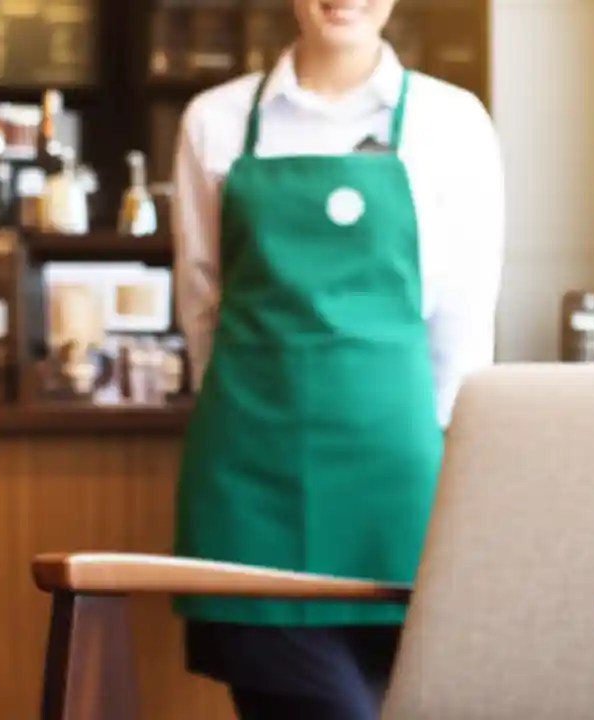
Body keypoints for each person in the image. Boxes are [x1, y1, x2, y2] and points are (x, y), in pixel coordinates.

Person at [168, 0, 505, 716]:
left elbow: (466, 321)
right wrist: (244, 409)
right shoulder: (214, 120)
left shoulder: (453, 122)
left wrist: (441, 461)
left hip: (398, 481)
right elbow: (201, 302)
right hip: (251, 479)